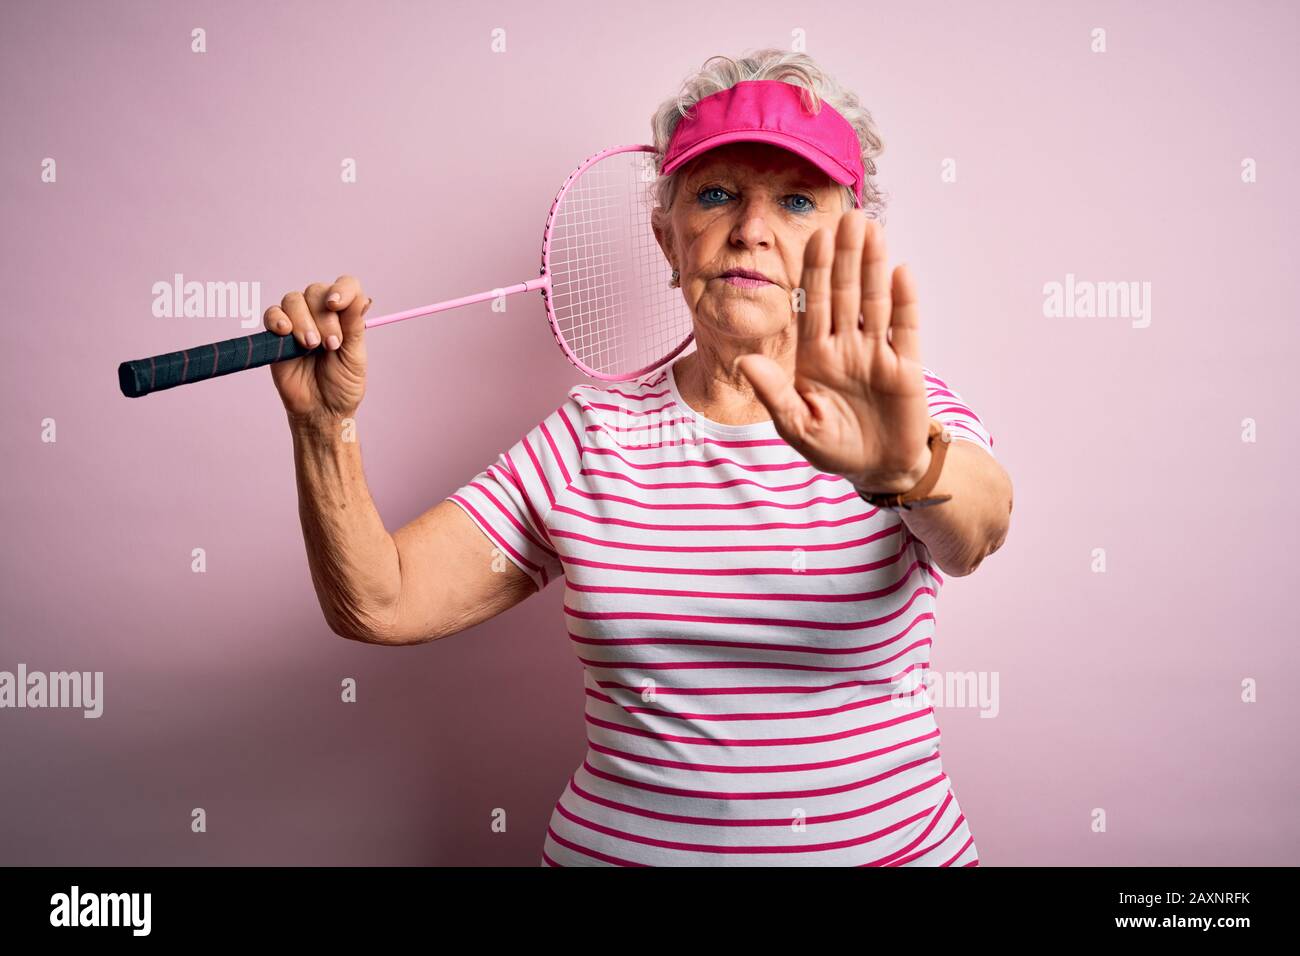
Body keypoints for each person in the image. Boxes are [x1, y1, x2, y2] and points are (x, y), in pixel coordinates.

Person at [262, 49, 1013, 866]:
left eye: (796, 200)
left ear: (845, 242)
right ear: (667, 238)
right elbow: (381, 602)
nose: (751, 229)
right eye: (717, 193)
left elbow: (976, 529)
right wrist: (323, 427)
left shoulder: (904, 410)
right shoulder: (591, 437)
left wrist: (902, 470)